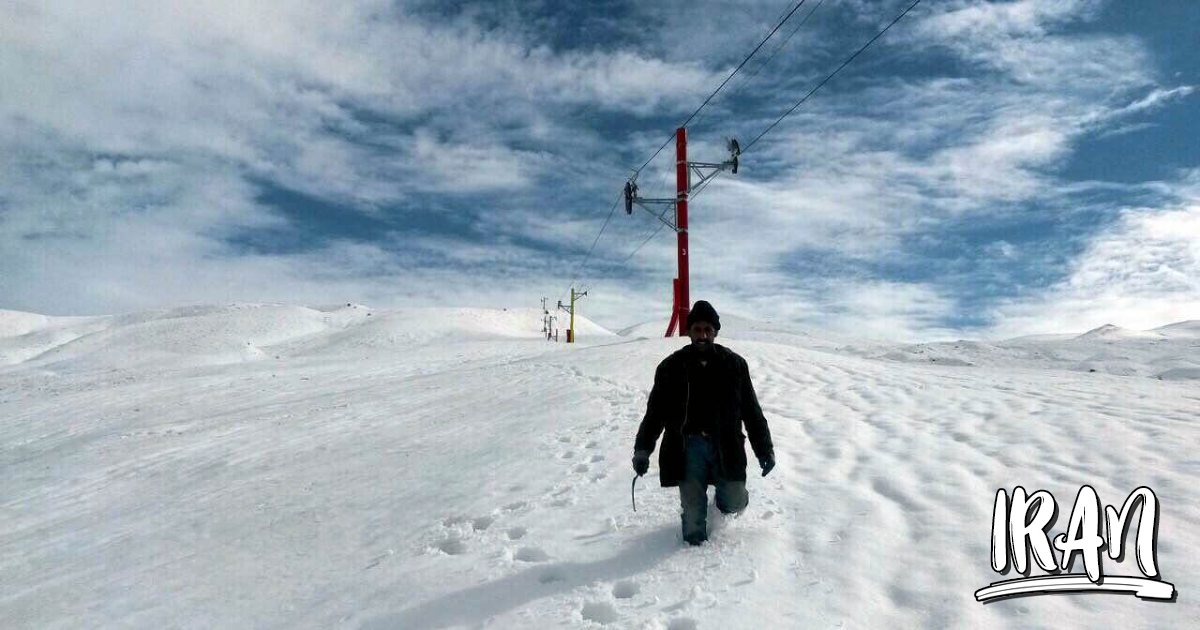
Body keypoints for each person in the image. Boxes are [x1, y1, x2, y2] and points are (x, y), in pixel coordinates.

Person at [632, 300, 775, 545]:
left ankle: (725, 503)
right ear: (689, 332)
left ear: (715, 332)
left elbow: (752, 411)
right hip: (687, 448)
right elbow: (654, 414)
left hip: (726, 445)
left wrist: (764, 449)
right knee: (693, 526)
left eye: (708, 330)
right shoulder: (670, 367)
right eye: (697, 329)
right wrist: (643, 450)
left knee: (734, 501)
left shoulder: (734, 365)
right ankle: (690, 557)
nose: (703, 335)